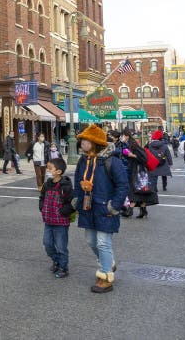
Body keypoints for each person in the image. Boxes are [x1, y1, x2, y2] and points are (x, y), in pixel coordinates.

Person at [73, 124, 128, 293]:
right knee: (91, 241)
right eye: (82, 141)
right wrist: (76, 199)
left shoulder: (112, 161)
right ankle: (108, 262)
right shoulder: (83, 160)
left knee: (103, 243)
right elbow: (77, 181)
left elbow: (123, 185)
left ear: (95, 143)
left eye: (86, 141)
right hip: (87, 207)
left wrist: (114, 206)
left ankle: (105, 276)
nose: (82, 143)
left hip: (105, 208)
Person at [39, 157, 74, 278]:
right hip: (48, 220)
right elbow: (42, 197)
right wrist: (41, 207)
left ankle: (63, 267)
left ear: (58, 171)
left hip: (61, 222)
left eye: (50, 168)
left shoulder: (66, 186)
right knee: (47, 243)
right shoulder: (47, 184)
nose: (48, 170)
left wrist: (64, 211)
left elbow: (72, 202)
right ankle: (57, 260)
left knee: (61, 246)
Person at [122, 129, 158, 218]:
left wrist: (132, 155)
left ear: (126, 136)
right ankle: (143, 210)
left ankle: (130, 211)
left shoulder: (133, 144)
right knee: (141, 191)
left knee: (136, 190)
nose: (121, 138)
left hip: (139, 171)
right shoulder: (129, 144)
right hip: (135, 170)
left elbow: (144, 158)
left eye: (122, 136)